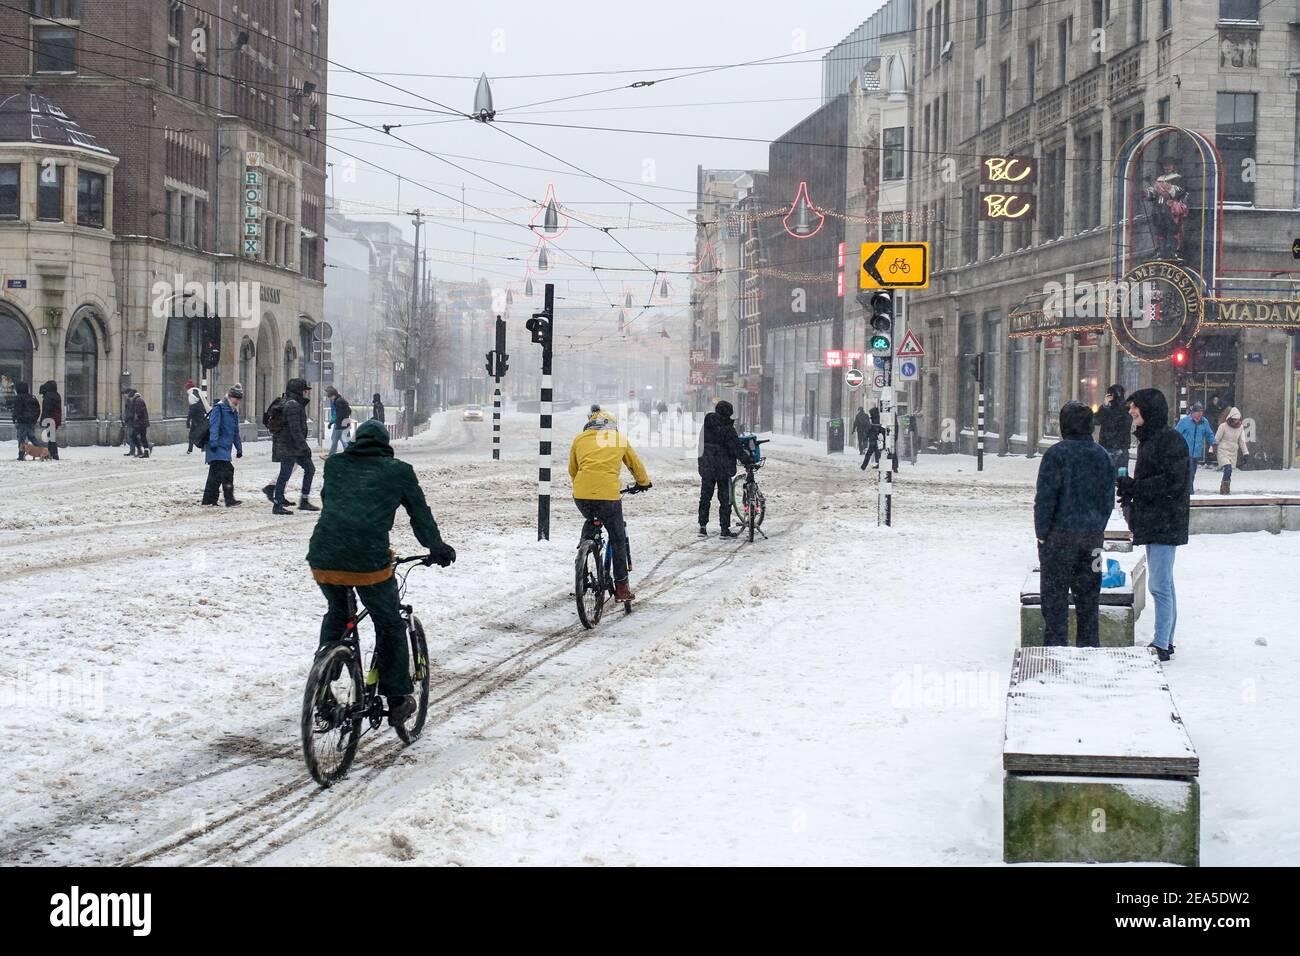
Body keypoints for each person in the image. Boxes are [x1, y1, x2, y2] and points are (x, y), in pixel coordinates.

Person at [307, 420, 456, 726]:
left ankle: (324, 676)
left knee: (337, 611)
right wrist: (436, 547)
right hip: (368, 560)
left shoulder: (335, 465)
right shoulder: (398, 471)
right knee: (388, 622)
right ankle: (398, 696)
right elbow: (420, 516)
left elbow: (338, 506)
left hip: (324, 554)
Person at [1034, 402, 1116, 647]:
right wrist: (1097, 527)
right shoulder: (1102, 455)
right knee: (1089, 599)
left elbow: (1046, 498)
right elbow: (1107, 500)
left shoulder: (1056, 454)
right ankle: (1089, 651)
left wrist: (1042, 533)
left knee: (1055, 601)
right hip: (1092, 539)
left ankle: (1056, 650)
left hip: (1059, 539)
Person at [1117, 389, 1190, 662]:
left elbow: (1172, 482)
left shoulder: (1169, 441)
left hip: (1165, 521)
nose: (1132, 412)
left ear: (1150, 410)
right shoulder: (1151, 439)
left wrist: (1136, 487)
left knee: (1159, 585)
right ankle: (1166, 640)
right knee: (1165, 583)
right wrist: (1132, 491)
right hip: (1157, 520)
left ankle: (1161, 644)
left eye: (1136, 408)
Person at [569, 407, 651, 602]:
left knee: (591, 519)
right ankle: (622, 588)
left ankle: (583, 561)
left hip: (582, 495)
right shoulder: (618, 439)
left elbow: (573, 469)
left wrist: (584, 486)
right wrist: (643, 483)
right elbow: (635, 465)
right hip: (608, 497)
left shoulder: (579, 439)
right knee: (617, 539)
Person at [264, 378, 318, 515]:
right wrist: (304, 447)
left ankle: (303, 500)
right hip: (289, 446)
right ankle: (277, 504)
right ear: (298, 390)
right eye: (304, 390)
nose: (306, 393)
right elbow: (295, 429)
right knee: (285, 474)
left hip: (292, 446)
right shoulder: (293, 405)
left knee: (309, 469)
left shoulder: (291, 402)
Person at [697, 400, 743, 538]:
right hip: (723, 469)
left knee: (705, 497)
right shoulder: (728, 429)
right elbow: (735, 448)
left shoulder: (706, 426)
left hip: (707, 468)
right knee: (725, 499)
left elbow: (700, 446)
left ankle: (702, 526)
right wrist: (746, 459)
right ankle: (724, 529)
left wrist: (702, 462)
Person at [202, 385, 244, 506]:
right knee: (227, 470)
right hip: (217, 446)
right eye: (236, 398)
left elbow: (235, 431)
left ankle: (209, 500)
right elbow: (214, 426)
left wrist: (239, 448)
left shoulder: (233, 411)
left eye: (239, 399)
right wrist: (214, 443)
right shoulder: (219, 408)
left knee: (215, 474)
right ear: (230, 397)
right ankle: (229, 499)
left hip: (225, 447)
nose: (237, 401)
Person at [1175, 402, 1216, 491]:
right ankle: (1189, 490)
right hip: (1186, 451)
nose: (1199, 414)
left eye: (1201, 412)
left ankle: (1187, 488)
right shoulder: (1185, 421)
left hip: (1197, 452)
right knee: (1189, 471)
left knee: (1193, 472)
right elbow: (1176, 433)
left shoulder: (1204, 422)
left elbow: (1209, 433)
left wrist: (1213, 442)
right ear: (1192, 412)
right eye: (1198, 412)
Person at [1214, 406, 1249, 495]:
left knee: (1229, 471)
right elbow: (1216, 439)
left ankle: (1226, 488)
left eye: (1237, 419)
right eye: (1234, 419)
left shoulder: (1240, 428)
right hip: (1223, 450)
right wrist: (1211, 450)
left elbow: (1241, 441)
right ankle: (1224, 488)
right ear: (1230, 418)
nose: (1236, 421)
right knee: (1228, 468)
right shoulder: (1223, 426)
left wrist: (1245, 453)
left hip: (1233, 451)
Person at [1096, 384, 1132, 473]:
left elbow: (1125, 423)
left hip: (1120, 449)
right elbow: (1096, 421)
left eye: (1113, 394)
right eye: (1109, 394)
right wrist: (1104, 406)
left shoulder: (1126, 408)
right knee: (1106, 477)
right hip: (1106, 447)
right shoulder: (1106, 408)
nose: (1111, 396)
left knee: (1120, 479)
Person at [11, 381, 42, 460]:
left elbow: (17, 410)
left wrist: (14, 418)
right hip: (31, 421)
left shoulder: (19, 397)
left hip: (22, 421)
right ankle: (41, 451)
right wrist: (34, 419)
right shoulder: (32, 397)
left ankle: (21, 454)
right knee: (32, 437)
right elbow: (38, 409)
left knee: (21, 438)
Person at [324, 386, 352, 456]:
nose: (329, 398)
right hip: (344, 423)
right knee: (336, 439)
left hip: (341, 424)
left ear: (333, 395)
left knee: (341, 440)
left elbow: (338, 414)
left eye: (329, 397)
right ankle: (331, 454)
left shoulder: (338, 401)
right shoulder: (341, 400)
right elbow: (349, 411)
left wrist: (335, 422)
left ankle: (349, 455)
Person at [37, 380, 62, 460]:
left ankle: (53, 454)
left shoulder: (48, 396)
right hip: (56, 418)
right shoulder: (56, 395)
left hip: (50, 418)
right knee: (51, 437)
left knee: (51, 438)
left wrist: (42, 420)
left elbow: (46, 410)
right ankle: (52, 453)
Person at [123, 387, 151, 458]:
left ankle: (142, 450)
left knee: (134, 436)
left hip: (140, 423)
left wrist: (135, 420)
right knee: (142, 437)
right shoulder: (138, 400)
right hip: (142, 423)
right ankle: (145, 451)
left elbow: (138, 413)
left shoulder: (138, 401)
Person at [185, 380, 209, 454]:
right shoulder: (198, 392)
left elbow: (192, 408)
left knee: (193, 434)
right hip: (202, 415)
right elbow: (204, 403)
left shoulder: (191, 394)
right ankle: (203, 448)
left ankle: (190, 449)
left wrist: (188, 420)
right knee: (202, 432)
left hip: (196, 417)